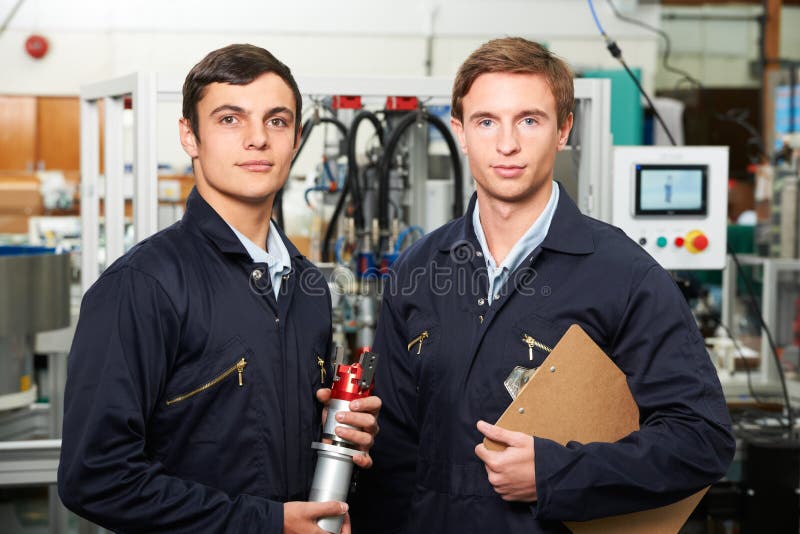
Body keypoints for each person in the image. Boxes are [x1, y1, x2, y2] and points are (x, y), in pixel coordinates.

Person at [350, 37, 734, 533]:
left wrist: (557, 473)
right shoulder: (419, 270)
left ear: (564, 130)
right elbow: (396, 452)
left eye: (529, 120)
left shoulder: (624, 275)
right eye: (486, 121)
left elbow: (700, 439)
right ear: (460, 131)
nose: (506, 144)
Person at [58, 44, 380, 534]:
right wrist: (268, 523)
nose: (257, 139)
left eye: (276, 121)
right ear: (190, 135)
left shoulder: (309, 286)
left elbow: (257, 439)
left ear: (296, 138)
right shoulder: (142, 287)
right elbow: (95, 478)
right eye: (230, 119)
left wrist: (341, 439)